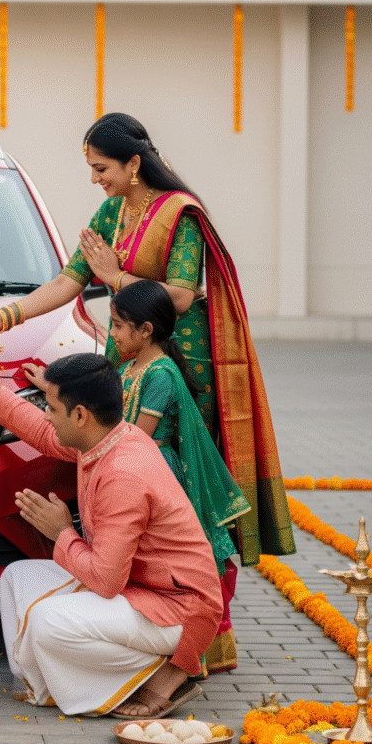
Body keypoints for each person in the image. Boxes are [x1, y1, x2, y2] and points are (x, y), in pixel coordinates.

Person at [0, 112, 293, 667]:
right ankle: (134, 604)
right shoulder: (112, 212)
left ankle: (203, 631)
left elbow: (181, 297)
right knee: (124, 491)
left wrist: (115, 280)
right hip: (127, 359)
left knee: (183, 496)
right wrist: (4, 316)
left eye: (101, 168)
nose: (95, 179)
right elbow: (69, 280)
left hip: (181, 369)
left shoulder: (180, 215)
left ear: (134, 164)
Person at [0, 350, 222, 719]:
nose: (48, 417)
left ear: (81, 415)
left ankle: (161, 673)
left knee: (46, 620)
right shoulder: (107, 437)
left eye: (52, 408)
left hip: (178, 609)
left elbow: (105, 581)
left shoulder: (124, 474)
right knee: (16, 578)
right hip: (138, 586)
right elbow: (40, 431)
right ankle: (50, 688)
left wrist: (61, 532)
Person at [102, 279, 251, 671]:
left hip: (156, 469)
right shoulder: (132, 365)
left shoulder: (161, 375)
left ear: (145, 329)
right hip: (138, 463)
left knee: (170, 563)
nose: (113, 333)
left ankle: (189, 651)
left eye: (118, 325)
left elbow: (136, 435)